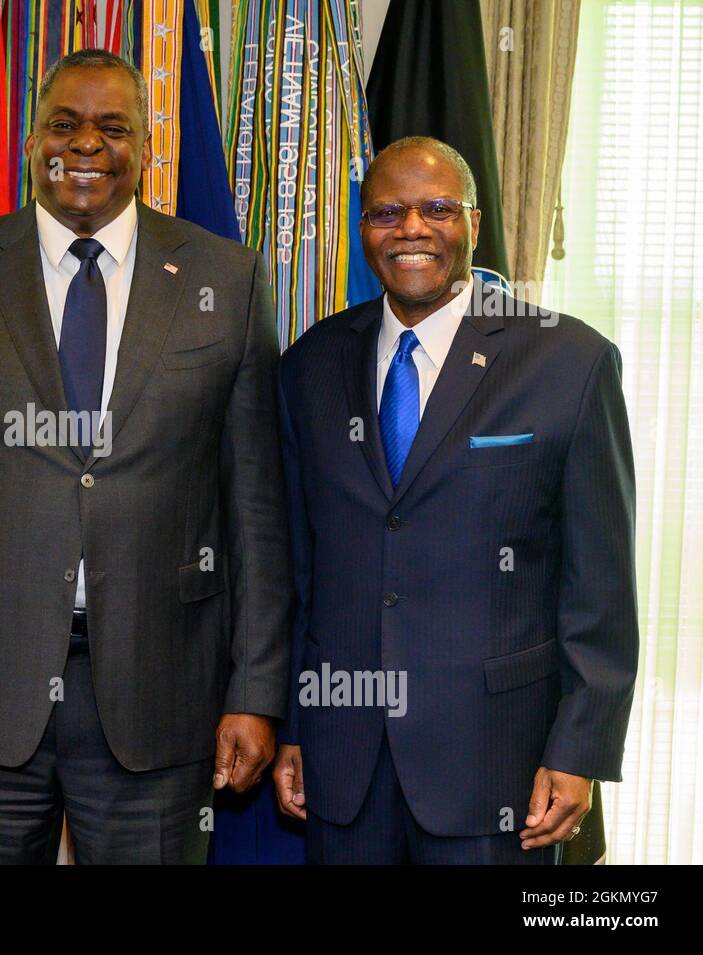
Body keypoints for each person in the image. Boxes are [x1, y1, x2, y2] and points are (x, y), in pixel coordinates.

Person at [0, 49, 291, 864]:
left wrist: (257, 690)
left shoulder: (225, 281)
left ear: (147, 148)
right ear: (30, 142)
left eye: (112, 126)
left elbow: (256, 506)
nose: (86, 143)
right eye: (64, 123)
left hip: (161, 694)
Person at [272, 136, 638, 863]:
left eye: (437, 208)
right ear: (362, 227)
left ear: (472, 221)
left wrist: (580, 748)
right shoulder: (310, 365)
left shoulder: (569, 361)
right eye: (386, 212)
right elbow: (300, 573)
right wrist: (294, 722)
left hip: (497, 764)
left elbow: (599, 582)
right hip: (344, 765)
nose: (412, 228)